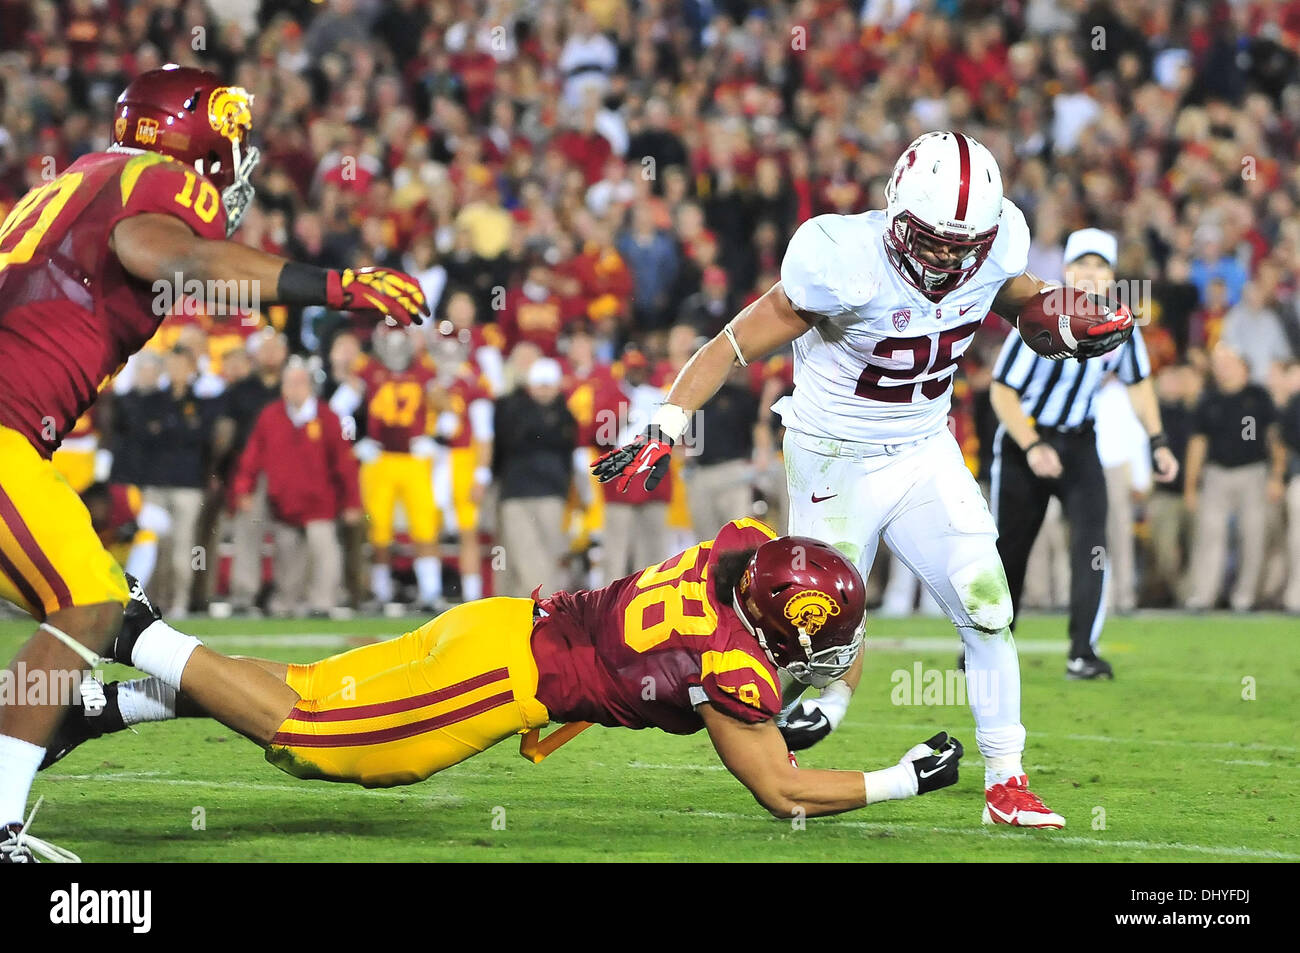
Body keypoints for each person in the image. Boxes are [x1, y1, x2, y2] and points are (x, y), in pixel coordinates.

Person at [596, 132, 1134, 828]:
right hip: (833, 457)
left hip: (922, 449)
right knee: (815, 639)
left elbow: (1017, 303)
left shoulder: (994, 245)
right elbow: (733, 340)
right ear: (897, 214)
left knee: (989, 605)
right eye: (935, 239)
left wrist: (1061, 320)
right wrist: (668, 419)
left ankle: (1007, 780)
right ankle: (804, 711)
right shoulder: (840, 259)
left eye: (962, 245)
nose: (948, 256)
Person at [0, 65, 428, 863]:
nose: (235, 159)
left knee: (101, 608)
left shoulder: (90, 176)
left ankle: (81, 709)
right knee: (90, 600)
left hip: (16, 436)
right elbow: (182, 262)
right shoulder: (158, 181)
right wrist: (334, 285)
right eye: (228, 136)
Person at [44, 522, 966, 825]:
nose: (837, 647)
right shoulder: (737, 668)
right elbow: (781, 791)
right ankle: (141, 632)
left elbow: (751, 624)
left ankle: (108, 705)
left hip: (500, 621)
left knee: (313, 688)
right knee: (312, 741)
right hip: (503, 680)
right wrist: (903, 778)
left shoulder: (741, 548)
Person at [988, 229, 1178, 678]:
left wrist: (1158, 440)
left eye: (1100, 267)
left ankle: (1082, 653)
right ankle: (986, 648)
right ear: (1067, 271)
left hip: (1079, 442)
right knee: (1009, 552)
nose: (1090, 274)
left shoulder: (1120, 326)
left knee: (1093, 546)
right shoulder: (1040, 316)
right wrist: (1032, 445)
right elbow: (1002, 391)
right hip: (1025, 444)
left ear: (1111, 276)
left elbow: (1139, 383)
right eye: (1082, 265)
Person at [232, 360, 361, 617]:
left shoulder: (327, 417)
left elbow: (344, 463)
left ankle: (323, 603)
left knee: (324, 552)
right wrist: (244, 488)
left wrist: (352, 502)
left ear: (311, 387)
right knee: (287, 557)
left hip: (319, 502)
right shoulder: (270, 415)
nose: (295, 389)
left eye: (300, 383)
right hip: (283, 503)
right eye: (290, 383)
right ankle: (285, 604)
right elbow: (252, 455)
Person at [1183, 344, 1288, 611]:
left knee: (1253, 534)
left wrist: (1276, 476)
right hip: (1217, 473)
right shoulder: (1208, 399)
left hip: (1253, 472)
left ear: (1243, 365)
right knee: (1210, 535)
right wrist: (1190, 486)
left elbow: (1275, 438)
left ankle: (1245, 596)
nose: (1222, 366)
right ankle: (1204, 595)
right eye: (1218, 362)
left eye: (1228, 361)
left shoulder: (1258, 395)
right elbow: (1198, 444)